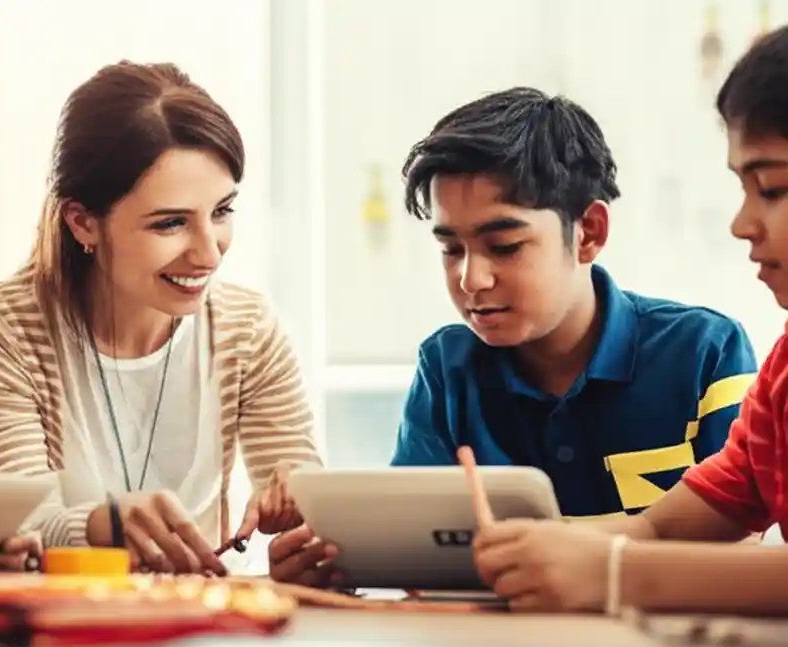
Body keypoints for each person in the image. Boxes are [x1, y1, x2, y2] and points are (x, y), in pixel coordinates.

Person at [270, 87, 756, 588]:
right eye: (452, 249)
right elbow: (415, 561)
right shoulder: (446, 368)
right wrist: (339, 562)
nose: (471, 280)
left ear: (588, 232)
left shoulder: (704, 350)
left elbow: (739, 540)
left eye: (503, 246)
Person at [0, 61, 318, 574]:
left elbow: (301, 488)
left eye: (223, 212)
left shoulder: (246, 327)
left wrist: (300, 520)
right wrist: (106, 525)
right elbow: (17, 532)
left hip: (202, 625)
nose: (209, 253)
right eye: (170, 223)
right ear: (83, 222)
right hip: (62, 630)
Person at [474, 26, 788, 614]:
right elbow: (662, 530)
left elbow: (638, 557)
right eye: (743, 188)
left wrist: (618, 575)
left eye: (772, 187)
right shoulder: (782, 374)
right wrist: (521, 550)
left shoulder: (704, 346)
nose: (742, 223)